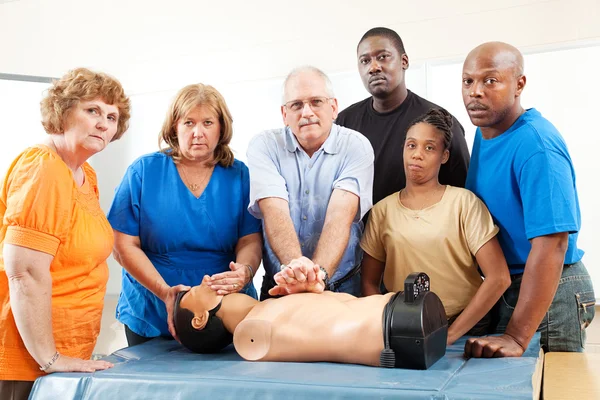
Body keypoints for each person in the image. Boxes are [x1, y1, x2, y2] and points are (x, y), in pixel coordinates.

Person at [0, 68, 130, 399]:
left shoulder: (84, 172)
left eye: (112, 117)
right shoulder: (44, 168)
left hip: (66, 354)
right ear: (63, 110)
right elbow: (25, 272)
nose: (104, 123)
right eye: (93, 111)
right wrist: (50, 358)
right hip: (27, 362)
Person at [462, 42, 595, 358]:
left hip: (554, 285)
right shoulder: (486, 131)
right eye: (468, 81)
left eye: (490, 80)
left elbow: (552, 244)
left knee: (552, 388)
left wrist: (517, 337)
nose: (475, 91)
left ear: (519, 84)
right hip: (510, 283)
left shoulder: (536, 146)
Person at [108, 83, 262, 347]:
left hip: (222, 313)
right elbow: (123, 245)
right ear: (174, 128)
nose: (198, 133)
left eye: (208, 123)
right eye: (188, 123)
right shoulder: (143, 172)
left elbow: (249, 240)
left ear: (222, 128)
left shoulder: (241, 175)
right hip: (150, 310)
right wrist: (166, 294)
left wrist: (245, 272)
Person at [359, 109, 511, 345]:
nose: (417, 155)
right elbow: (369, 282)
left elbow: (499, 277)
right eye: (411, 145)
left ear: (444, 156)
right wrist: (388, 325)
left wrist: (451, 335)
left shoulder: (464, 203)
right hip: (405, 327)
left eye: (429, 148)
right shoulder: (382, 211)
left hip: (467, 326)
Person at [246, 66, 374, 299]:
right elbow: (275, 212)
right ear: (284, 114)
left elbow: (340, 215)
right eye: (296, 105)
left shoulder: (356, 146)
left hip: (341, 286)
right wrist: (297, 272)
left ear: (333, 108)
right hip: (280, 285)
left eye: (316, 102)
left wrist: (318, 276)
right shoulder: (263, 146)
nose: (306, 112)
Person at [173, 270, 445, 367]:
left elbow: (319, 322)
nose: (205, 280)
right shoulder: (249, 337)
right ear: (199, 320)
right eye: (197, 290)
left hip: (397, 311)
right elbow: (327, 337)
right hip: (394, 330)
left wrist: (311, 292)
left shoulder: (263, 312)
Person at [336, 27, 470, 208]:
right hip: (360, 234)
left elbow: (462, 195)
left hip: (421, 232)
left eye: (383, 57)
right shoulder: (345, 122)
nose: (374, 67)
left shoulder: (439, 122)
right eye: (365, 60)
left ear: (404, 61)